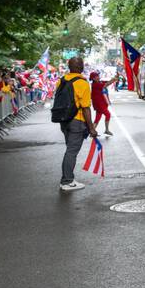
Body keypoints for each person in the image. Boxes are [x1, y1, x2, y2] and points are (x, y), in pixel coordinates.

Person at [55, 56, 96, 192]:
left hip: (64, 120)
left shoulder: (61, 81)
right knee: (72, 151)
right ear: (81, 67)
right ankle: (67, 181)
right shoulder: (82, 83)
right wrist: (91, 128)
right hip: (77, 121)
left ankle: (68, 178)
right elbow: (85, 107)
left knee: (70, 149)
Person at [89, 70, 113, 137]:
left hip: (100, 104)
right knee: (108, 114)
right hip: (100, 104)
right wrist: (114, 79)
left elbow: (107, 82)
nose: (98, 77)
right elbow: (106, 84)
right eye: (97, 76)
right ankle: (106, 130)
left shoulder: (98, 82)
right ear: (93, 78)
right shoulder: (96, 84)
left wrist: (114, 79)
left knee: (97, 118)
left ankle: (92, 132)